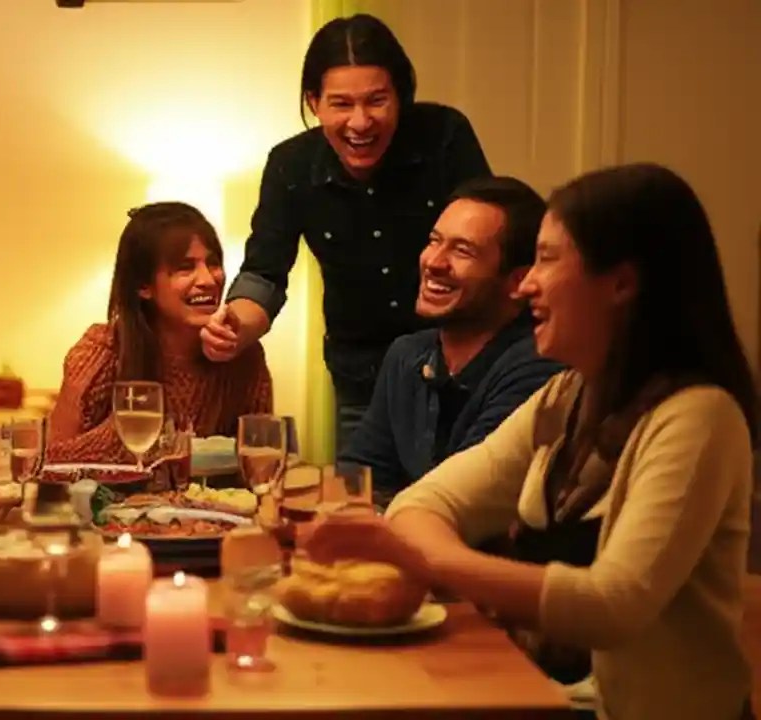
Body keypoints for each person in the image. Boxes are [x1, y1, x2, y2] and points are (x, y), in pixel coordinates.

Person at [303, 164, 757, 720]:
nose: (527, 284)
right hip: (556, 697)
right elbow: (424, 501)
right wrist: (419, 547)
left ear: (621, 283)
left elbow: (612, 605)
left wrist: (425, 557)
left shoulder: (698, 417)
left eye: (547, 260)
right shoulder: (566, 397)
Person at [201, 14, 491, 452]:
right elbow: (264, 274)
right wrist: (234, 327)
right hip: (362, 381)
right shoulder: (291, 166)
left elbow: (491, 242)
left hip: (462, 368)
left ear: (401, 96)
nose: (360, 122)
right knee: (361, 493)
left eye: (377, 101)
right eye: (341, 104)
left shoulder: (444, 136)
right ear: (314, 102)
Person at [340, 176, 561, 502]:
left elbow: (462, 496)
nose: (433, 262)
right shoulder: (407, 355)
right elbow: (359, 475)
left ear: (519, 281)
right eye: (434, 241)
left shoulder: (537, 365)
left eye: (462, 250)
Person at [47, 202, 272, 464]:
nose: (208, 280)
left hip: (208, 494)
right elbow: (51, 464)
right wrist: (123, 438)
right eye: (185, 267)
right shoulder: (101, 352)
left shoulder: (243, 354)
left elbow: (261, 464)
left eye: (213, 263)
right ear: (144, 286)